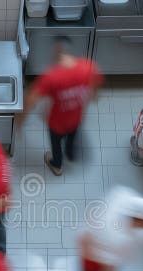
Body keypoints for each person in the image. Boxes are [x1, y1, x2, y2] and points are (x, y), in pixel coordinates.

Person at [19, 36, 103, 176]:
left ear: (56, 51)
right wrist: (91, 98)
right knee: (72, 138)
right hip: (76, 118)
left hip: (57, 123)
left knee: (56, 145)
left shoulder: (51, 77)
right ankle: (70, 155)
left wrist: (20, 122)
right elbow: (95, 87)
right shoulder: (88, 67)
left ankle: (57, 164)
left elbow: (30, 101)